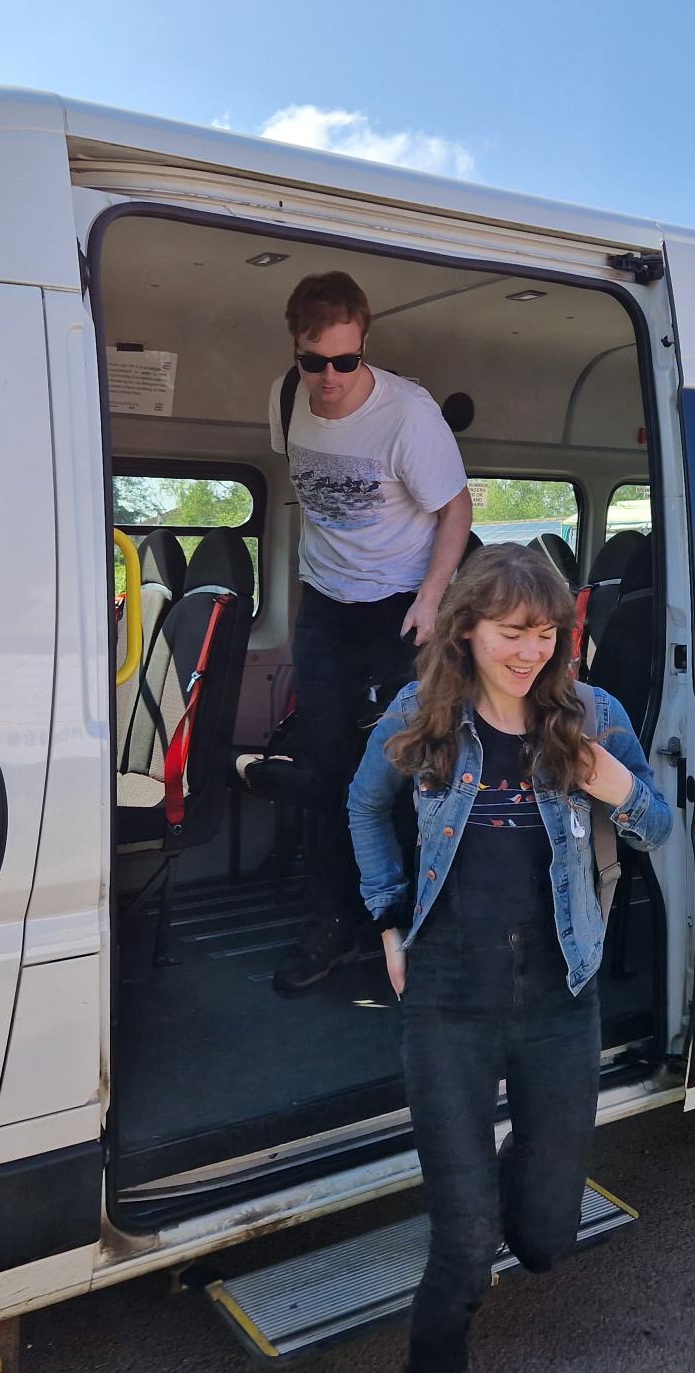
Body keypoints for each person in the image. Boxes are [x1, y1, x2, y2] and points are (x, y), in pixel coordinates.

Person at [348, 545, 673, 1373]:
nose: (532, 652)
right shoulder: (420, 715)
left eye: (547, 634)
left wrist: (617, 790)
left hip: (561, 995)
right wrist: (388, 919)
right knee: (462, 1244)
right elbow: (363, 803)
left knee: (545, 1232)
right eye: (512, 632)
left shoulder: (592, 716)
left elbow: (661, 826)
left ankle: (491, 1190)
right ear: (466, 630)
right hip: (447, 994)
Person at [268, 271, 473, 992]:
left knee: (404, 768)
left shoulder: (407, 416)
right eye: (312, 361)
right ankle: (332, 923)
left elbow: (456, 510)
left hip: (402, 607)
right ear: (295, 351)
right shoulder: (287, 398)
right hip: (328, 604)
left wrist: (433, 597)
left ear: (365, 347)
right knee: (319, 770)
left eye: (344, 362)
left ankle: (416, 924)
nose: (328, 379)